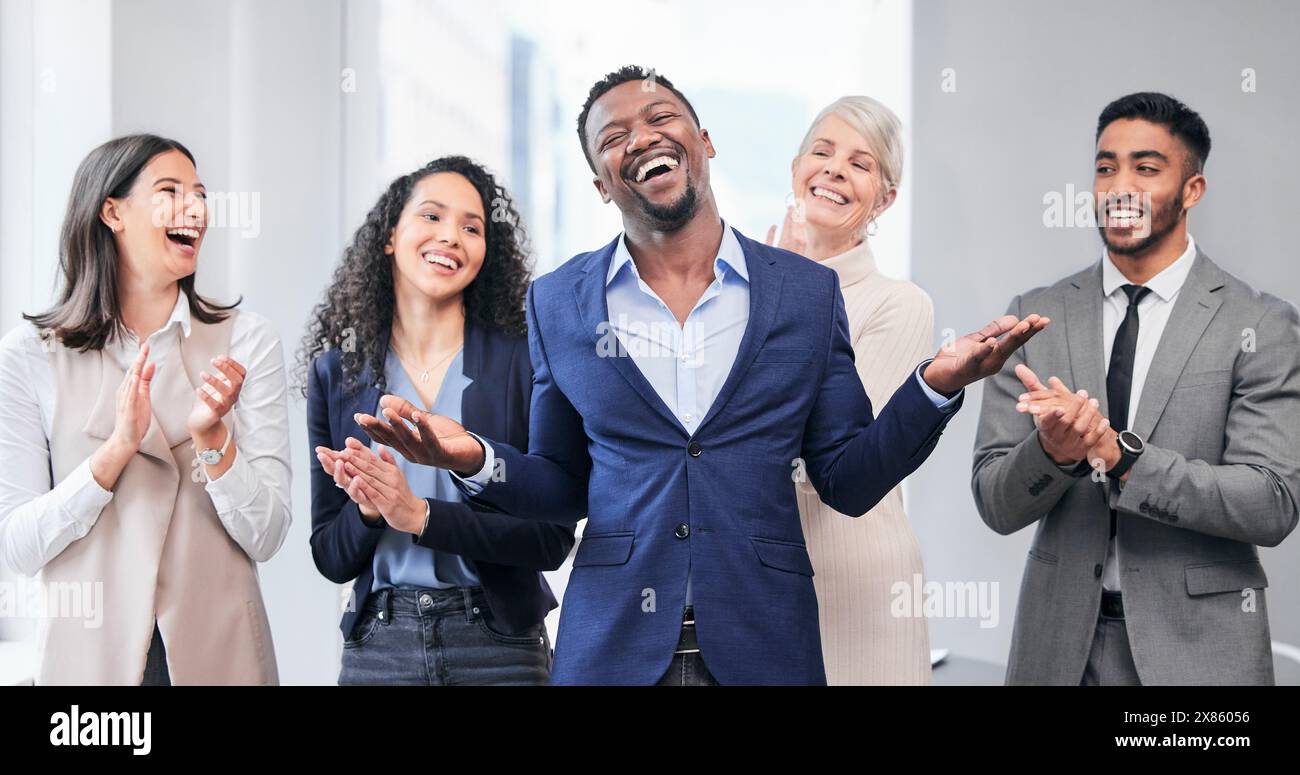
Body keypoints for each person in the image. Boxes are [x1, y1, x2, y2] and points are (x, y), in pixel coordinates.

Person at [354, 66, 1047, 685]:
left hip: (765, 644)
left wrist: (937, 384)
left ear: (703, 141)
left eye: (660, 118)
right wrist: (473, 458)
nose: (641, 137)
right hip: (612, 649)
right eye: (614, 135)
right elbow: (562, 487)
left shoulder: (804, 294)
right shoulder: (559, 300)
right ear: (601, 182)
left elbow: (848, 475)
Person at [972, 92, 1300, 685]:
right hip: (1056, 651)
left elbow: (1270, 502)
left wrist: (1120, 457)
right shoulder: (1036, 316)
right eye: (1105, 167)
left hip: (1201, 659)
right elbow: (996, 502)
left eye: (1146, 168)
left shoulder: (1260, 324)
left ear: (1192, 190)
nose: (1119, 186)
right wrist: (1053, 452)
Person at [0, 134, 290, 685]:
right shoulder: (28, 355)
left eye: (201, 195)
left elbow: (268, 533)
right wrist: (112, 455)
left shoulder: (248, 342)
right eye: (170, 191)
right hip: (87, 673)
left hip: (221, 659)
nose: (197, 210)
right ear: (112, 211)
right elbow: (17, 545)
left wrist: (214, 442)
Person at [304, 156, 574, 685]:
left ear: (485, 255)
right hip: (380, 647)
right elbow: (330, 556)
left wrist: (422, 516)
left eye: (471, 228)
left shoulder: (526, 361)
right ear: (390, 237)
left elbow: (549, 538)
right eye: (431, 217)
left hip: (500, 646)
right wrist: (368, 512)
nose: (451, 236)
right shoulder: (337, 372)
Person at [768, 96, 935, 685]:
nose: (835, 168)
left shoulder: (898, 304)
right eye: (822, 151)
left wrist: (783, 299)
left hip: (859, 581)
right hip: (759, 577)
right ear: (796, 169)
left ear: (884, 199)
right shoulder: (734, 286)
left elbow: (827, 460)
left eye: (860, 163)